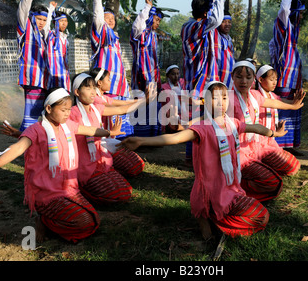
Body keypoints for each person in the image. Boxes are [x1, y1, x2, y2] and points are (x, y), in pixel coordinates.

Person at [119, 81, 288, 239]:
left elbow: (255, 127)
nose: (221, 102)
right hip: (210, 191)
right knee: (256, 218)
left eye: (223, 97)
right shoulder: (202, 128)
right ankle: (206, 215)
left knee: (262, 216)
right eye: (214, 98)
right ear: (206, 102)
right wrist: (142, 141)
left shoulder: (232, 123)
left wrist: (274, 134)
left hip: (231, 189)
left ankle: (216, 219)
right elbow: (175, 138)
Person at [0, 88, 118, 243]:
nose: (67, 114)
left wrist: (110, 133)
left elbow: (90, 130)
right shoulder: (35, 130)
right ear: (49, 108)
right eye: (63, 110)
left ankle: (51, 220)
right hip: (46, 195)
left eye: (69, 110)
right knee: (85, 223)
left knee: (93, 220)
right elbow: (18, 147)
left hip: (69, 189)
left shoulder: (68, 125)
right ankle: (44, 220)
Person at [230, 61, 303, 199]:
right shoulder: (227, 98)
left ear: (253, 79)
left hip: (258, 147)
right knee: (273, 184)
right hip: (238, 152)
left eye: (248, 77)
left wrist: (294, 106)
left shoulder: (254, 96)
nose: (244, 81)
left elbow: (274, 102)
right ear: (232, 76)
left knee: (293, 166)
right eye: (239, 77)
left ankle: (255, 172)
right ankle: (235, 185)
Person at [68, 73, 139, 205]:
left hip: (99, 159)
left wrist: (144, 101)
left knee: (125, 191)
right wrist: (110, 132)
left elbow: (122, 109)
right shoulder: (71, 113)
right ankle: (81, 183)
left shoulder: (96, 108)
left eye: (93, 87)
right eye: (88, 88)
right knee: (114, 194)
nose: (93, 92)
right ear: (77, 92)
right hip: (83, 164)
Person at [90, 0, 133, 139]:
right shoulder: (101, 34)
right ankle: (107, 144)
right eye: (107, 18)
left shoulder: (115, 38)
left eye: (112, 19)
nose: (110, 21)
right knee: (108, 117)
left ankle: (120, 144)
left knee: (120, 118)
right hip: (108, 85)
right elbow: (97, 15)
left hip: (119, 84)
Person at [269, 0, 305, 154]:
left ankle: (289, 145)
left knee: (294, 110)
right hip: (284, 78)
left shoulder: (293, 30)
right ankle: (279, 147)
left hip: (294, 79)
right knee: (283, 110)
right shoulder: (283, 24)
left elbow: (272, 46)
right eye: (301, 14)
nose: (302, 17)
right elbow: (284, 9)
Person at [16, 0, 51, 131]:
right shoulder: (25, 28)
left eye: (44, 19)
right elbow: (23, 9)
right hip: (32, 78)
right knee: (31, 115)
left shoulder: (43, 36)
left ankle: (35, 142)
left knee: (39, 115)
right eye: (39, 19)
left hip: (43, 80)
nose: (42, 22)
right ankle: (26, 144)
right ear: (32, 16)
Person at [181, 0, 228, 100]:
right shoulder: (194, 27)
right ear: (205, 13)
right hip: (197, 85)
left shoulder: (189, 25)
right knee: (197, 115)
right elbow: (215, 20)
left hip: (198, 83)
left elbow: (209, 18)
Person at [130, 0, 164, 137]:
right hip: (140, 75)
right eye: (156, 19)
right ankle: (139, 135)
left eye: (159, 21)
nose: (157, 23)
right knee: (141, 102)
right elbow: (138, 24)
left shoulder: (154, 36)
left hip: (152, 76)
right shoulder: (140, 33)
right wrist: (147, 7)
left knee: (152, 103)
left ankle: (152, 135)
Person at [46, 2, 71, 92]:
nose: (64, 24)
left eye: (65, 21)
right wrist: (51, 9)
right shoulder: (50, 35)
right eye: (61, 21)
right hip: (53, 74)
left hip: (64, 75)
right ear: (55, 22)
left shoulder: (65, 39)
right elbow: (46, 26)